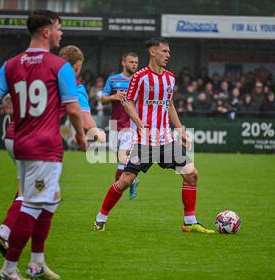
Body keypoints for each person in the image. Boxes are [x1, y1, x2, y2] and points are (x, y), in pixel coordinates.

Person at [0, 10, 87, 280]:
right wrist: (81, 136)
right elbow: (72, 110)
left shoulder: (10, 64)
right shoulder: (61, 67)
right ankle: (9, 268)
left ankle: (37, 264)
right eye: (58, 28)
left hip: (21, 142)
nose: (61, 33)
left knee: (51, 200)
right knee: (32, 206)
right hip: (44, 147)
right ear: (46, 31)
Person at [92, 37, 214, 234]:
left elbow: (170, 105)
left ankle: (190, 222)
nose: (168, 55)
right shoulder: (139, 77)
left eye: (168, 51)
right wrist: (139, 123)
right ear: (153, 52)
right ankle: (100, 218)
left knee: (191, 174)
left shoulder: (170, 78)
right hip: (144, 141)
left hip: (166, 140)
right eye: (164, 51)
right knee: (126, 180)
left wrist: (180, 129)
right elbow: (128, 102)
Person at [101, 52, 140, 199]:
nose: (134, 65)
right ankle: (133, 181)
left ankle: (116, 191)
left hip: (131, 126)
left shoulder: (139, 80)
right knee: (120, 159)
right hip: (115, 124)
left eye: (136, 62)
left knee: (122, 160)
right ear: (123, 63)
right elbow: (103, 99)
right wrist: (113, 97)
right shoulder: (112, 79)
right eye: (131, 62)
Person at [58, 45, 105, 142]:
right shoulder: (75, 86)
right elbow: (87, 125)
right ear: (77, 67)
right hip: (46, 146)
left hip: (23, 140)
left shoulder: (44, 78)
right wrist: (100, 136)